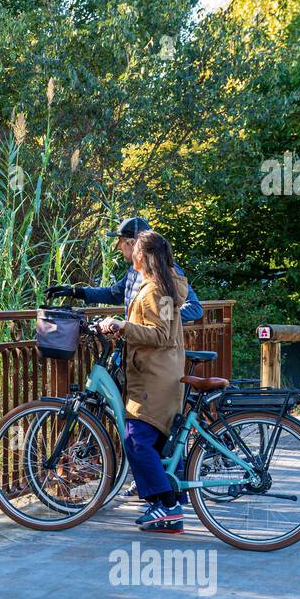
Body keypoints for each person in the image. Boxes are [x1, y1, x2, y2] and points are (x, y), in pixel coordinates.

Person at [96, 231, 187, 533]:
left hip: (156, 377)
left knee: (136, 438)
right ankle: (165, 510)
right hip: (154, 373)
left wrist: (124, 326)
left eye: (135, 248)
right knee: (152, 442)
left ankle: (168, 505)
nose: (130, 252)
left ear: (144, 256)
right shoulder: (160, 286)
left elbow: (163, 335)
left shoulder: (159, 291)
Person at [47, 216, 203, 322]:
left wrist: (155, 316)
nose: (117, 247)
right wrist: (76, 292)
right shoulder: (134, 271)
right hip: (136, 347)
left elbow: (194, 309)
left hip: (155, 356)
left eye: (120, 241)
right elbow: (114, 294)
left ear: (133, 243)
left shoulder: (166, 272)